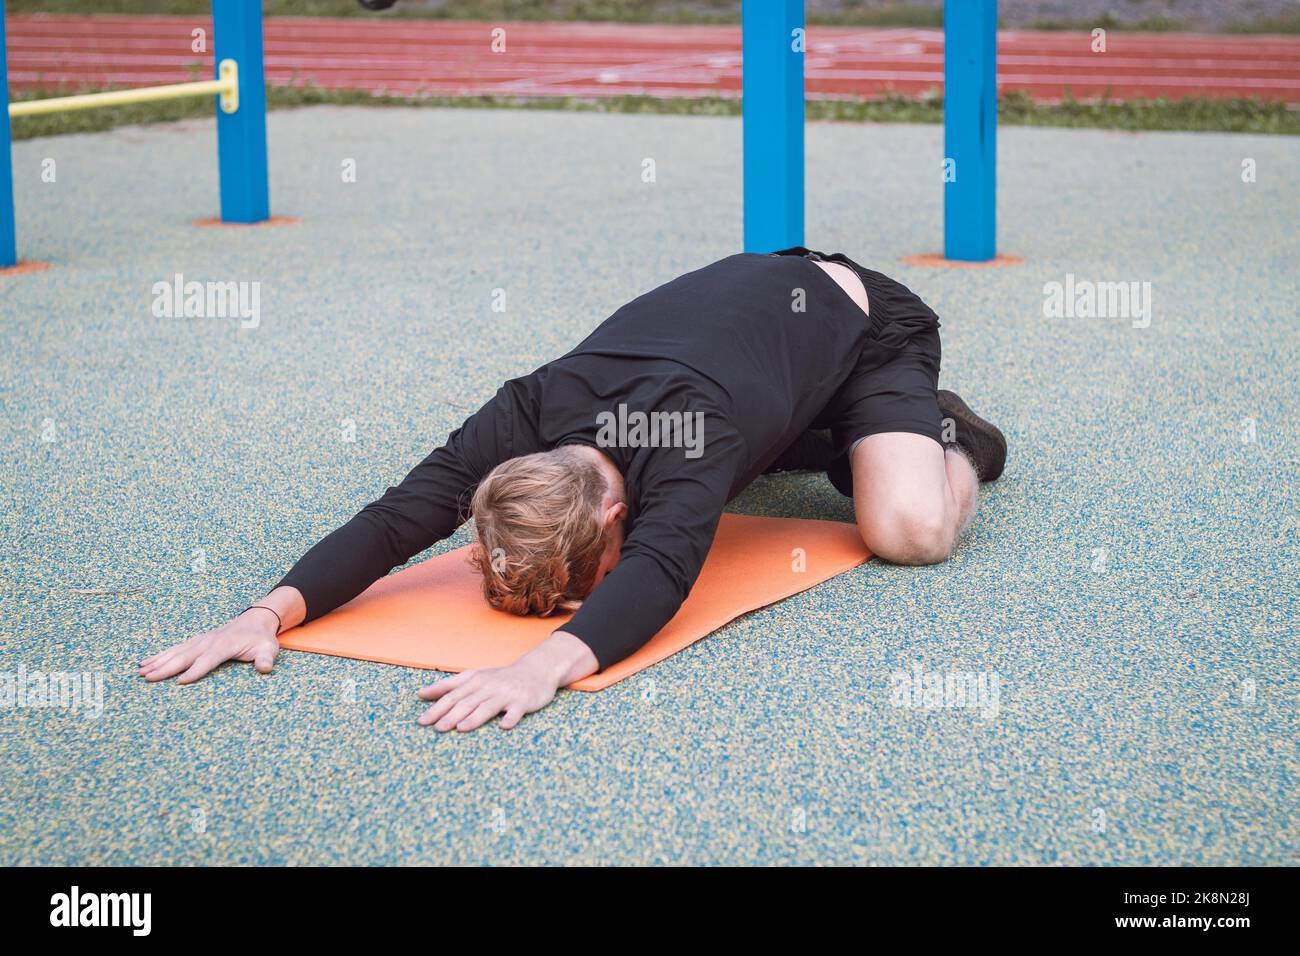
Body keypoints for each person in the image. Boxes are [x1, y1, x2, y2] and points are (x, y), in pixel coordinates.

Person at [139, 248, 1007, 732]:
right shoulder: (525, 413)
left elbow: (661, 571)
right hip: (753, 343)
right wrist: (265, 614)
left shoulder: (689, 434)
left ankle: (948, 436)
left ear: (616, 516)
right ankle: (830, 438)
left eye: (582, 584)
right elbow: (399, 516)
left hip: (861, 325)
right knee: (762, 448)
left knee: (908, 531)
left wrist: (544, 666)